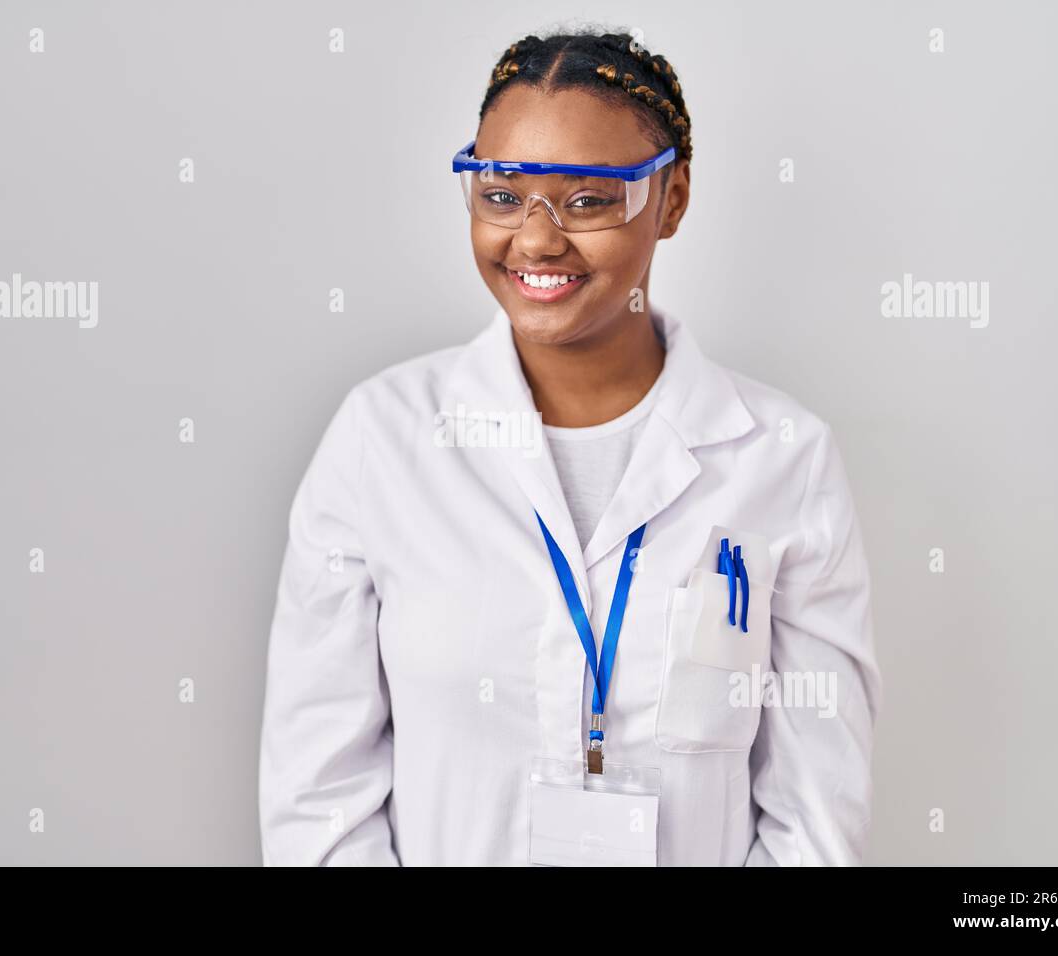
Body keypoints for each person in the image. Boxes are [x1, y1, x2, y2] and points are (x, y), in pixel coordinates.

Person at [259, 29, 882, 866]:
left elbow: (816, 816)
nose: (538, 240)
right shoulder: (382, 441)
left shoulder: (783, 460)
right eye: (503, 194)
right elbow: (317, 800)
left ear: (671, 199)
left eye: (588, 200)